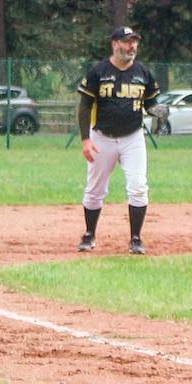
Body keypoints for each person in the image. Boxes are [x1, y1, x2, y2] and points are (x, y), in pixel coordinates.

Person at [76, 26, 165, 256]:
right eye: (127, 42)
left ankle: (136, 238)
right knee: (95, 190)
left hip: (133, 138)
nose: (132, 46)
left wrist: (157, 111)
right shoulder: (99, 71)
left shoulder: (143, 72)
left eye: (134, 41)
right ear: (115, 44)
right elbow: (85, 106)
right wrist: (86, 139)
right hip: (101, 138)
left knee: (138, 186)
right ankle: (89, 234)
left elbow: (149, 103)